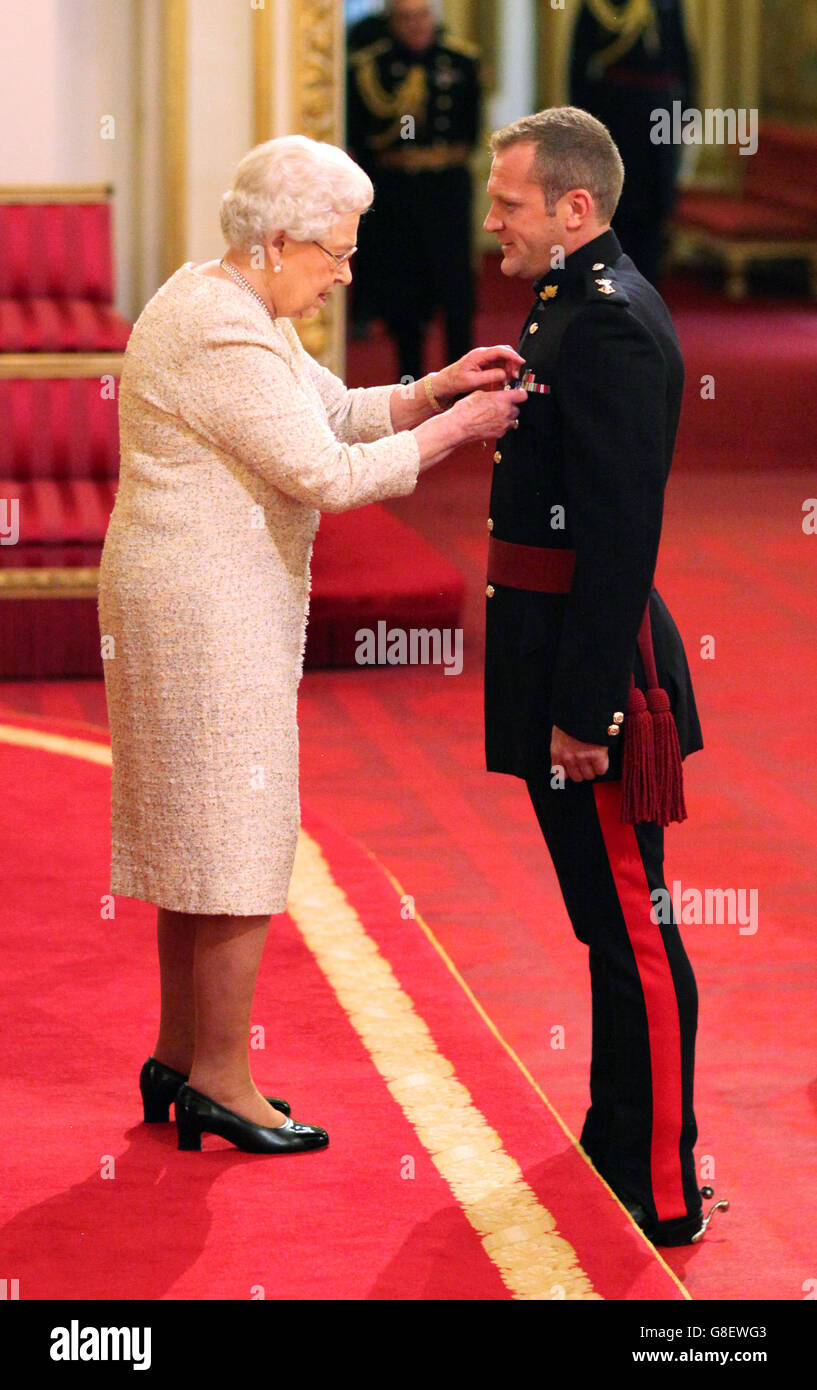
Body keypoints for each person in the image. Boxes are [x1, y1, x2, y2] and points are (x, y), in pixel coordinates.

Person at [98, 133, 527, 1157]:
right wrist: (456, 432)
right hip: (204, 605)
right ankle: (222, 1077)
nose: (345, 271)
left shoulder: (232, 301)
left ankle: (179, 1056)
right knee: (238, 840)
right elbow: (326, 473)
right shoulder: (220, 328)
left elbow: (328, 410)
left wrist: (430, 387)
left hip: (197, 593)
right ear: (276, 239)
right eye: (334, 251)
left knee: (196, 836)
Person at [482, 107, 728, 1245]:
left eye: (508, 204)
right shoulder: (567, 305)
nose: (492, 223)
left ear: (573, 209)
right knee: (601, 918)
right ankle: (615, 1128)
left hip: (598, 672)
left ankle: (664, 1181)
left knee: (633, 922)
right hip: (552, 648)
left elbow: (621, 536)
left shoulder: (612, 323)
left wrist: (586, 711)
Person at [347, 0, 480, 378]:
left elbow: (469, 131)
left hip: (447, 188)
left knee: (457, 292)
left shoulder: (461, 61)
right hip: (397, 192)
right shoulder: (370, 66)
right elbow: (362, 137)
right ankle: (411, 383)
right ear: (391, 22)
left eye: (422, 16)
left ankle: (464, 383)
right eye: (406, 18)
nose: (415, 26)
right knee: (405, 295)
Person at [569, 0, 693, 286]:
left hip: (661, 117)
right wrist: (581, 121)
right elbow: (578, 63)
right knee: (617, 203)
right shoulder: (599, 6)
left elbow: (683, 55)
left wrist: (688, 111)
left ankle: (649, 286)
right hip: (617, 114)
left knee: (656, 206)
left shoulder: (668, 4)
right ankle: (611, 284)